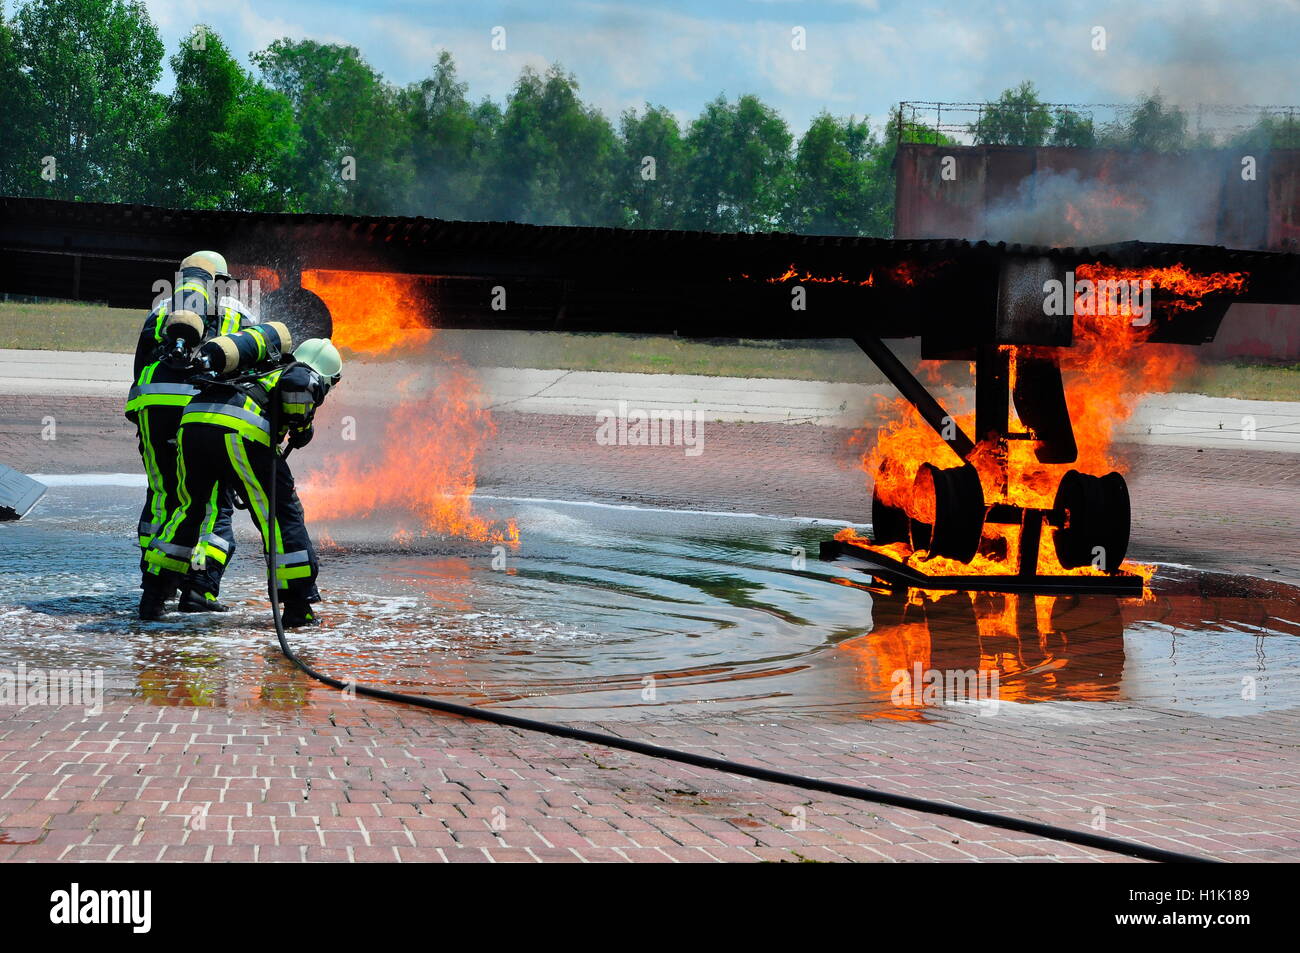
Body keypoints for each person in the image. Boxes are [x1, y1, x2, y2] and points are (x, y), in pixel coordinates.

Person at [140, 337, 343, 627]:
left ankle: (153, 597)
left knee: (187, 511)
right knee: (280, 516)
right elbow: (299, 393)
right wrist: (302, 426)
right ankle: (299, 607)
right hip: (238, 430)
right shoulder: (300, 374)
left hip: (193, 423)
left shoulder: (263, 367)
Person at [127, 253, 256, 611]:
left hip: (153, 406)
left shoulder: (161, 307)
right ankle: (199, 589)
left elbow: (141, 367)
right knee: (214, 501)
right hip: (202, 409)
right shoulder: (238, 311)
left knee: (161, 494)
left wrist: (142, 415)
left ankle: (155, 581)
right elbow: (247, 367)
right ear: (223, 280)